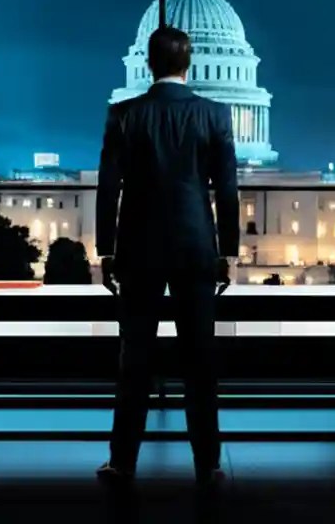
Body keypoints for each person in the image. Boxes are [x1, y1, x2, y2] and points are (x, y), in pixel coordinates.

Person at [94, 25, 240, 487]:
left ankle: (122, 461)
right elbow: (229, 192)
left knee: (134, 357)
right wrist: (229, 251)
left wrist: (105, 249)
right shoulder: (214, 114)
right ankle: (209, 462)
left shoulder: (123, 115)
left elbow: (107, 189)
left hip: (137, 248)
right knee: (200, 358)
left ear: (149, 64)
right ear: (188, 64)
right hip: (197, 247)